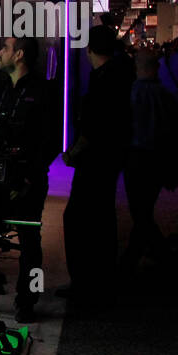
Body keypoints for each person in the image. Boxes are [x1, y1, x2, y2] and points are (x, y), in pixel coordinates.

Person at [61, 25, 133, 305]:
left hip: (94, 163)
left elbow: (92, 129)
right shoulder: (121, 76)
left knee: (78, 219)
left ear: (89, 49)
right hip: (111, 159)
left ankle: (84, 282)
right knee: (102, 219)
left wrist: (72, 153)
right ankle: (102, 279)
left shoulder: (101, 81)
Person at [0, 36, 63, 322]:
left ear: (19, 55)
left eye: (5, 48)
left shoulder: (42, 92)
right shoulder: (0, 91)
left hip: (28, 182)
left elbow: (49, 142)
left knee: (30, 243)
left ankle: (28, 299)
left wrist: (29, 180)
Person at [121, 50, 178, 272]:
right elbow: (174, 133)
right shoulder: (167, 96)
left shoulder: (131, 93)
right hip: (157, 159)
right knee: (144, 209)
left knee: (140, 210)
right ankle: (146, 253)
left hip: (136, 159)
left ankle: (145, 255)